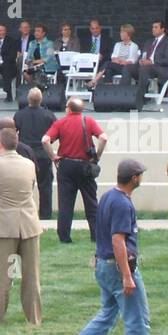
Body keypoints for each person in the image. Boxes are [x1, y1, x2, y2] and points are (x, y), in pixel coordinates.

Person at [59, 159, 149, 335]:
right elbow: (118, 240)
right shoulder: (122, 203)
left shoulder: (108, 197)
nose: (142, 177)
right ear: (134, 178)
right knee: (138, 322)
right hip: (118, 268)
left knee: (108, 313)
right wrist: (127, 276)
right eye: (141, 174)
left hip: (103, 264)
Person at [0, 128, 43, 325]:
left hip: (3, 226)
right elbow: (31, 187)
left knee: (3, 275)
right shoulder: (29, 164)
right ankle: (34, 318)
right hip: (29, 223)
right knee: (32, 275)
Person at [43, 96, 107, 243]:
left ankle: (64, 237)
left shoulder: (61, 123)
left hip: (66, 165)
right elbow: (103, 137)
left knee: (65, 203)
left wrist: (53, 156)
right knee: (91, 202)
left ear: (69, 109)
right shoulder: (88, 121)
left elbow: (45, 140)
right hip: (85, 166)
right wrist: (97, 156)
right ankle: (96, 236)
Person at [14, 87, 56, 220]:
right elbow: (55, 134)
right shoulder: (49, 115)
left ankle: (23, 213)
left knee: (23, 186)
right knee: (45, 186)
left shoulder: (19, 115)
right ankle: (45, 214)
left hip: (25, 155)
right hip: (43, 154)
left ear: (28, 99)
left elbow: (13, 133)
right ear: (41, 99)